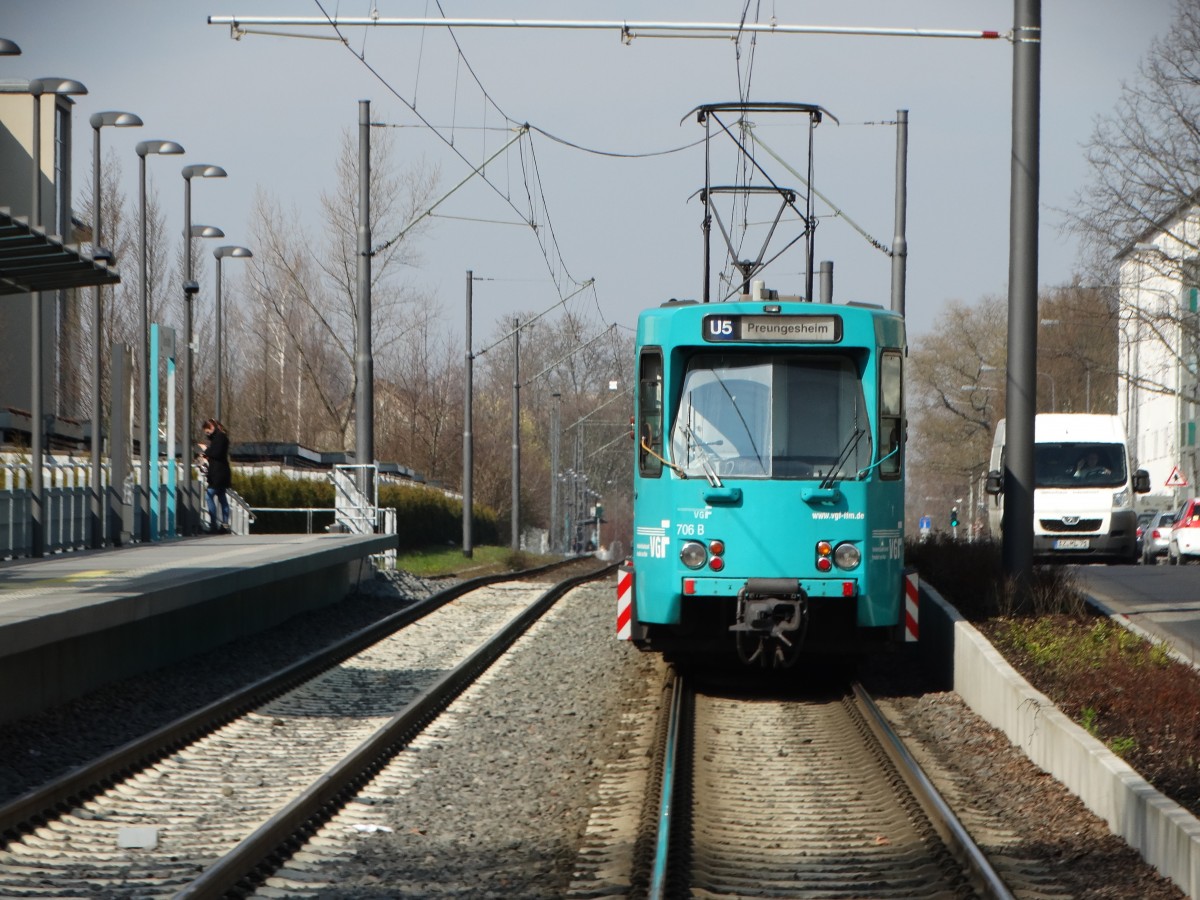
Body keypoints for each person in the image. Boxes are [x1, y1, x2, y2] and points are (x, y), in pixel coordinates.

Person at [199, 418, 231, 533]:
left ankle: (214, 524)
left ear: (212, 427)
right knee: (222, 498)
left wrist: (206, 450)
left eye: (207, 432)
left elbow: (217, 453)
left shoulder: (220, 438)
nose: (207, 435)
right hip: (221, 473)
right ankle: (225, 524)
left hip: (218, 473)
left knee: (209, 496)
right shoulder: (221, 437)